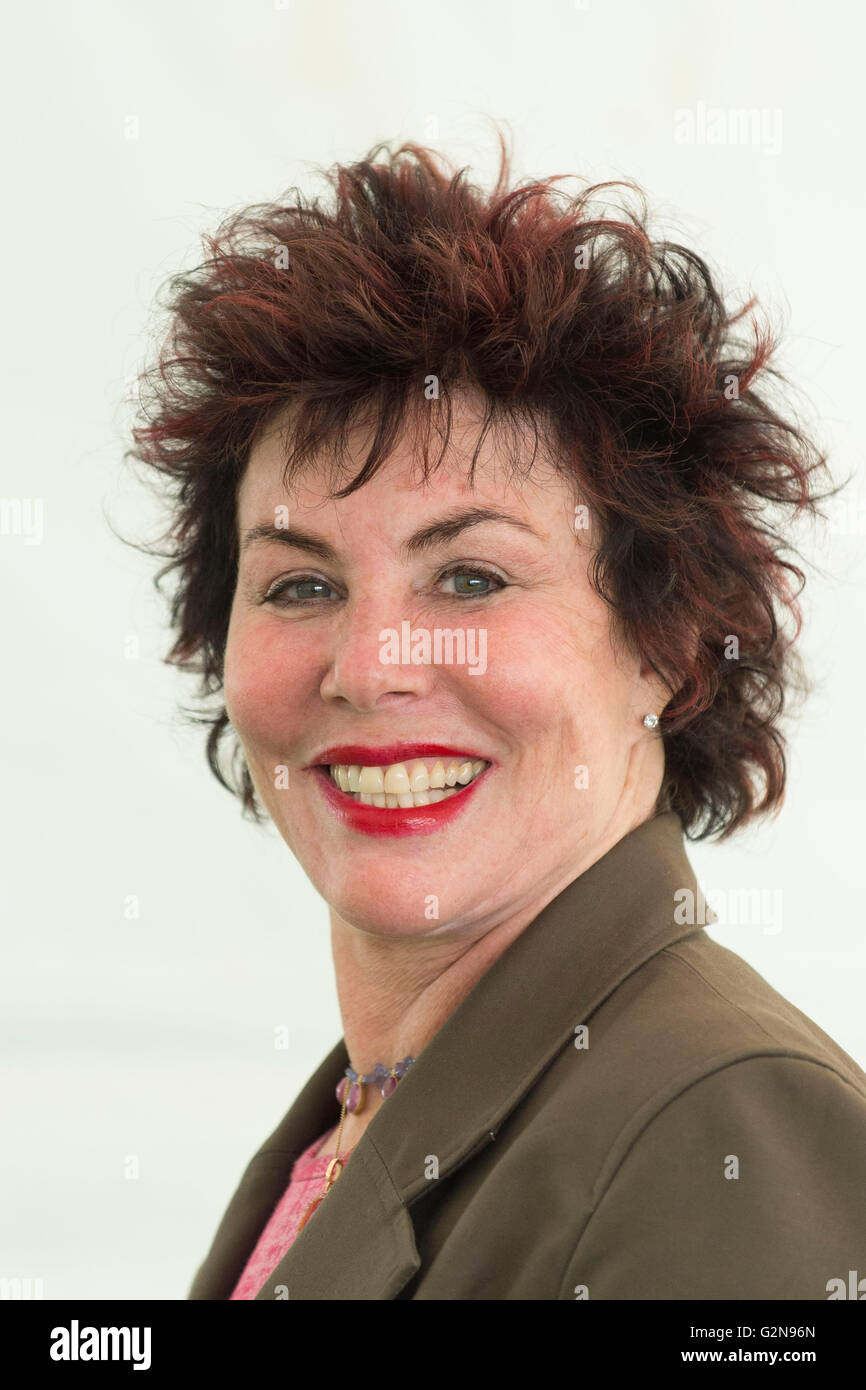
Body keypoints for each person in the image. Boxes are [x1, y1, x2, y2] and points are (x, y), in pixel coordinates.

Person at [127, 136, 866, 1299]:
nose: (369, 666)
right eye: (300, 584)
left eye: (470, 577)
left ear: (665, 649)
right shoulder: (356, 1126)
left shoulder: (718, 1127)